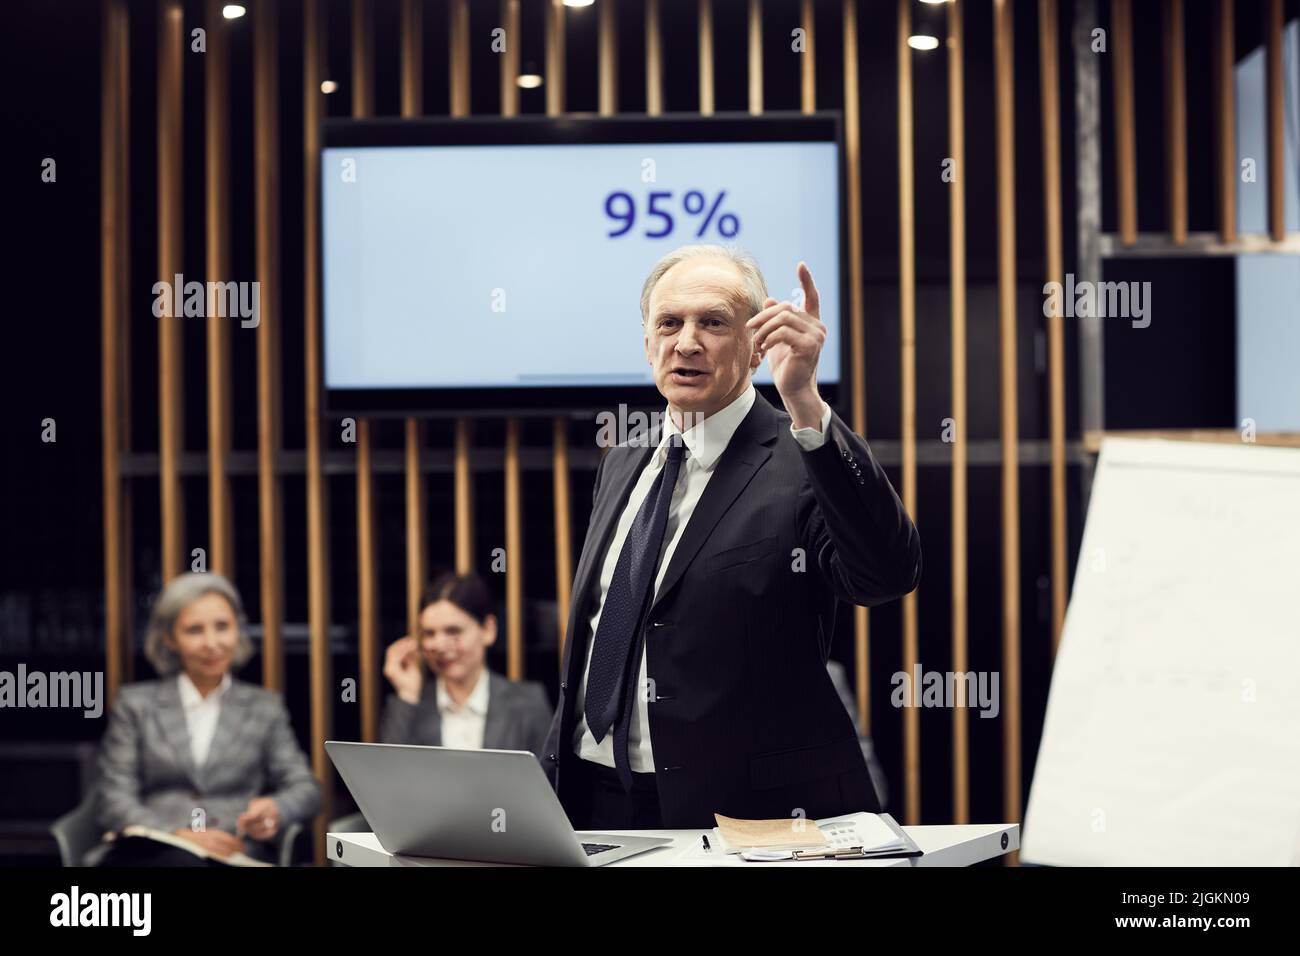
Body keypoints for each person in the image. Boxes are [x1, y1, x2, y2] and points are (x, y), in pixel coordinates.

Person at [542, 244, 921, 830]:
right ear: (647, 342)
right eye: (669, 323)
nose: (686, 342)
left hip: (743, 813)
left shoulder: (802, 452)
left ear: (756, 343)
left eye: (713, 322)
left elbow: (885, 575)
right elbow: (601, 630)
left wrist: (805, 402)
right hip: (595, 798)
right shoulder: (622, 461)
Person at [92, 572, 321, 866]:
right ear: (170, 638)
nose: (212, 643)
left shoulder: (266, 708)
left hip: (233, 850)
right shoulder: (135, 705)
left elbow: (306, 790)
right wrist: (179, 834)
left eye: (222, 627)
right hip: (151, 850)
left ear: (238, 629)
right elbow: (113, 799)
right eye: (195, 630)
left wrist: (275, 809)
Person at [379, 572, 552, 755]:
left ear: (488, 630)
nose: (439, 645)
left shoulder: (528, 703)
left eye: (453, 631)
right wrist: (407, 695)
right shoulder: (411, 706)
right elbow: (384, 775)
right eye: (429, 633)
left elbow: (549, 779)